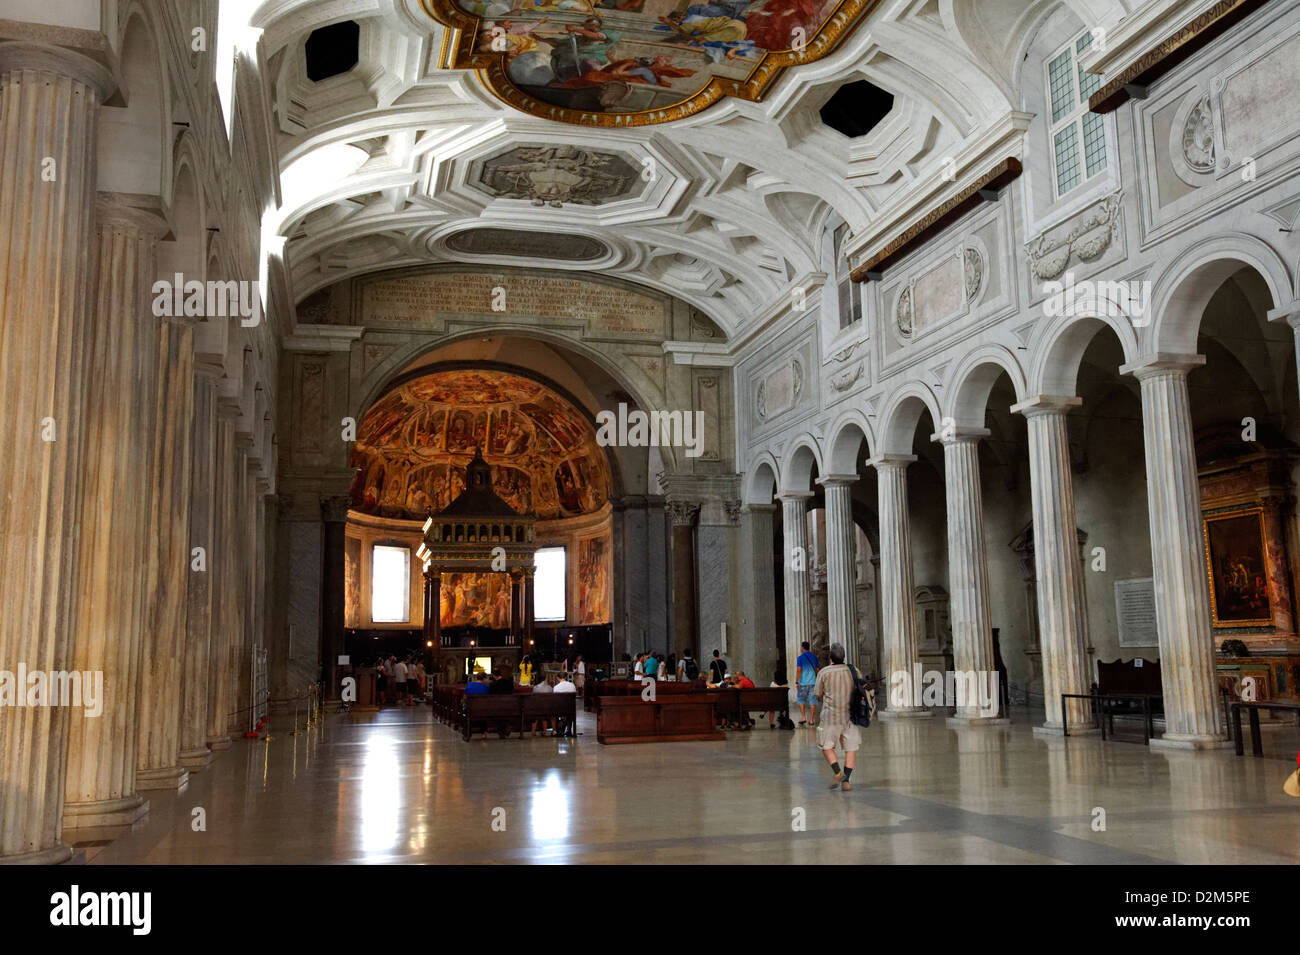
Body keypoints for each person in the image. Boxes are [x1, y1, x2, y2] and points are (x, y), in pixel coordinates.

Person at [814, 644, 860, 792]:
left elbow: (818, 694)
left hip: (830, 716)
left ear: (830, 658)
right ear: (844, 656)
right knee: (850, 748)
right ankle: (846, 781)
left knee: (826, 746)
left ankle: (838, 772)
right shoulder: (853, 670)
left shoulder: (824, 672)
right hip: (850, 716)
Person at [795, 641, 819, 725]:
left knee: (801, 700)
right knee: (813, 701)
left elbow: (799, 670)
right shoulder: (814, 657)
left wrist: (797, 682)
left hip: (803, 683)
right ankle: (811, 720)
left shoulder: (800, 658)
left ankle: (803, 717)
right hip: (813, 682)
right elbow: (817, 670)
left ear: (802, 648)